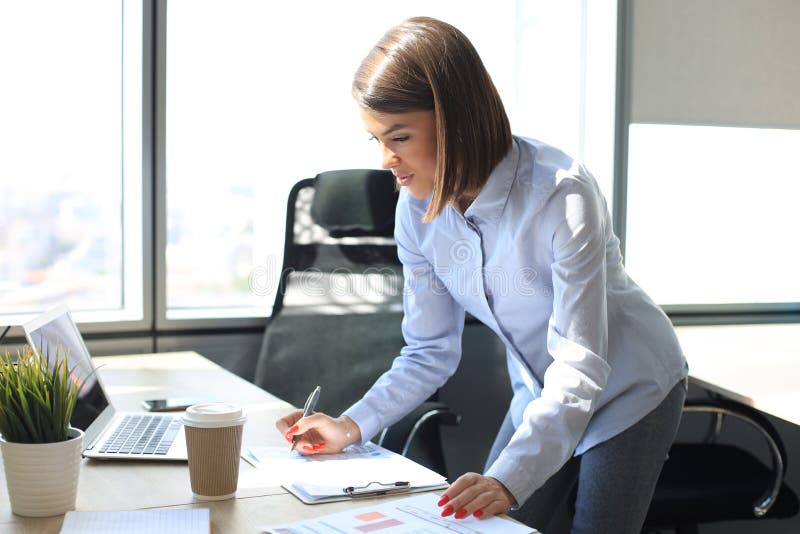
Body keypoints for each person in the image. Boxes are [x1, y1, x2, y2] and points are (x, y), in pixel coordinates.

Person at [276, 16, 688, 533]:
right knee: (477, 527)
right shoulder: (416, 209)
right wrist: (349, 425)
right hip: (539, 392)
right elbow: (429, 352)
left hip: (628, 386)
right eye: (376, 139)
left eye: (399, 137)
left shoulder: (561, 193)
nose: (386, 160)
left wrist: (511, 479)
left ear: (453, 119)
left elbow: (581, 366)